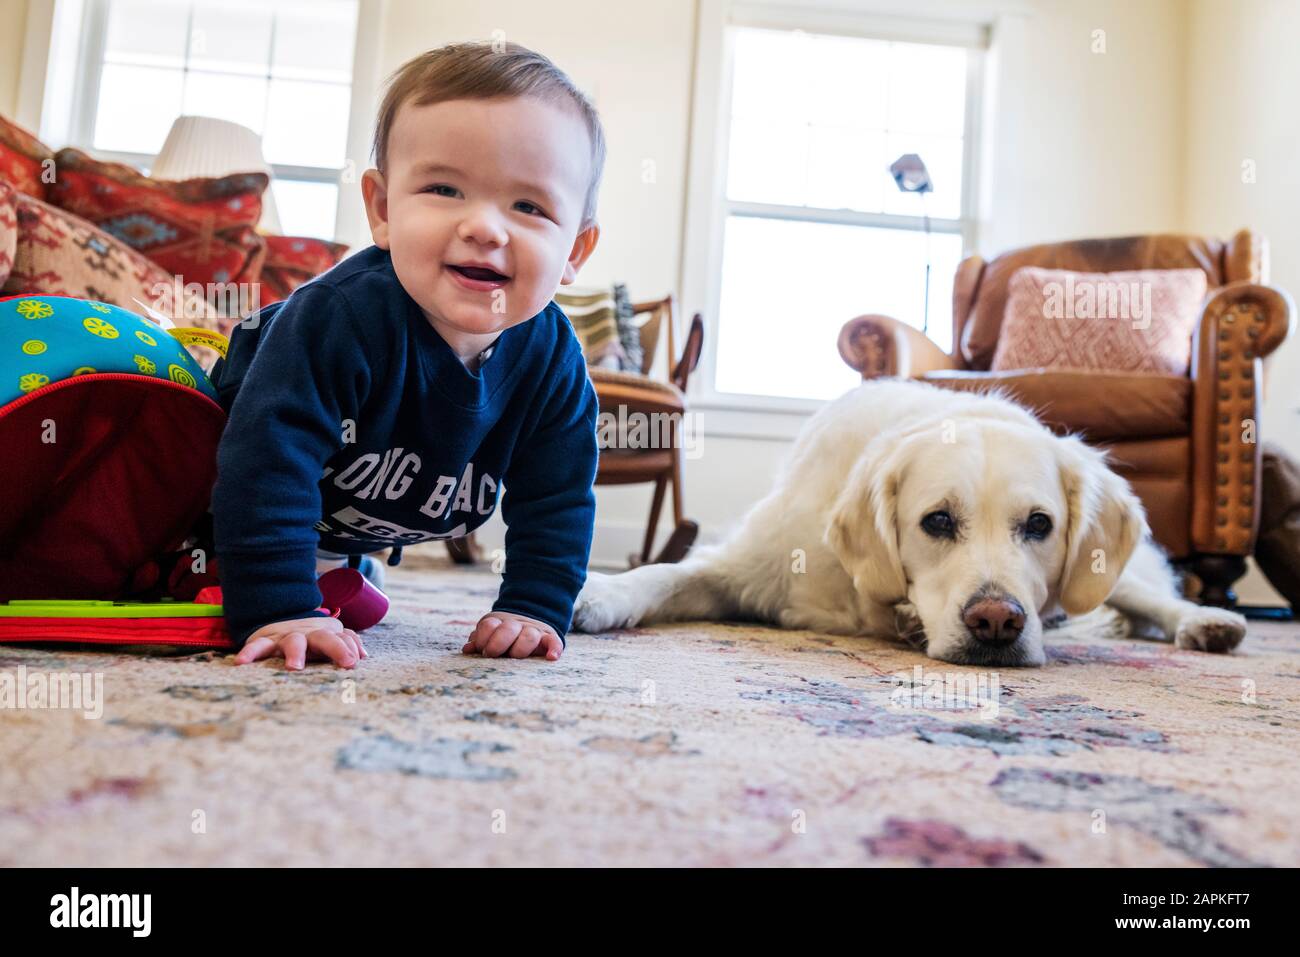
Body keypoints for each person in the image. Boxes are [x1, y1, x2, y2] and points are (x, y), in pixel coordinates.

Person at [209, 41, 604, 670]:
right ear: (383, 210)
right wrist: (279, 604)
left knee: (350, 586)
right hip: (219, 469)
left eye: (528, 206)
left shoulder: (552, 361)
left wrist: (534, 605)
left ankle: (337, 563)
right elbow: (267, 461)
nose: (485, 228)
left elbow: (557, 496)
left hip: (351, 517)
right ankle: (284, 564)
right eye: (444, 189)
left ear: (575, 253)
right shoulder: (338, 318)